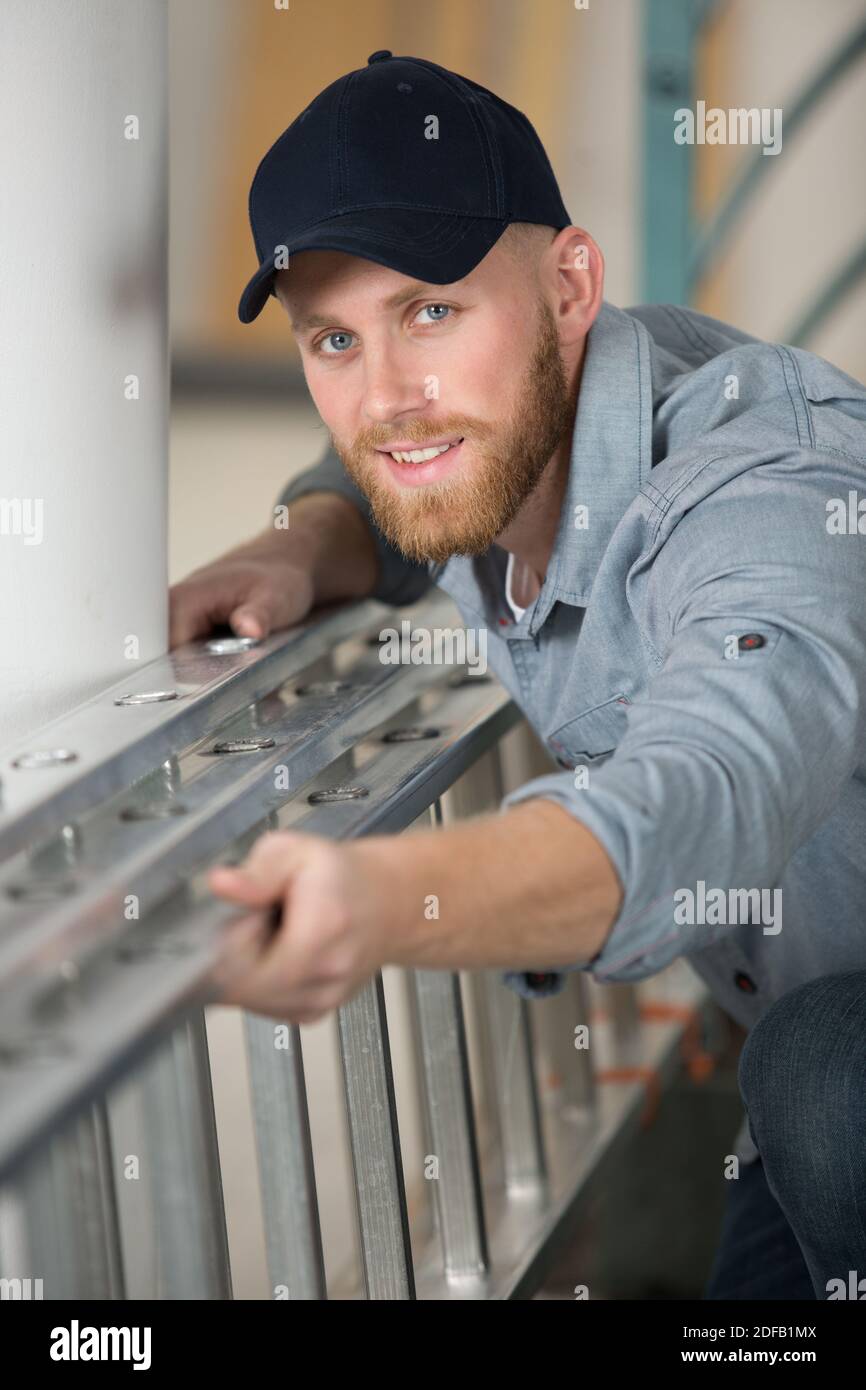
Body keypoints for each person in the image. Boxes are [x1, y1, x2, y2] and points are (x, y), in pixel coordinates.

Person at [169, 52, 866, 1300]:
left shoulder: (767, 495)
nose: (385, 396)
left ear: (568, 285)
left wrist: (378, 902)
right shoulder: (509, 433)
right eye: (333, 337)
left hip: (835, 1075)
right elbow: (389, 473)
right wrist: (301, 543)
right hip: (809, 1099)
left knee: (823, 1072)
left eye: (430, 311)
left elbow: (703, 795)